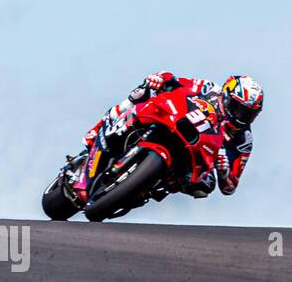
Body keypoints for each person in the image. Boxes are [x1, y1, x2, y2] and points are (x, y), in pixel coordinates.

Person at [81, 72, 263, 196]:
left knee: (205, 186)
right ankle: (99, 129)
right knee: (141, 93)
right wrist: (160, 78)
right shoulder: (208, 89)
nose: (241, 118)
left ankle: (148, 187)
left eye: (248, 114)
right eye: (238, 109)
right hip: (174, 123)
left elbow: (230, 187)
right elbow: (175, 82)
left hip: (196, 157)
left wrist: (224, 172)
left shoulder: (243, 139)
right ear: (226, 95)